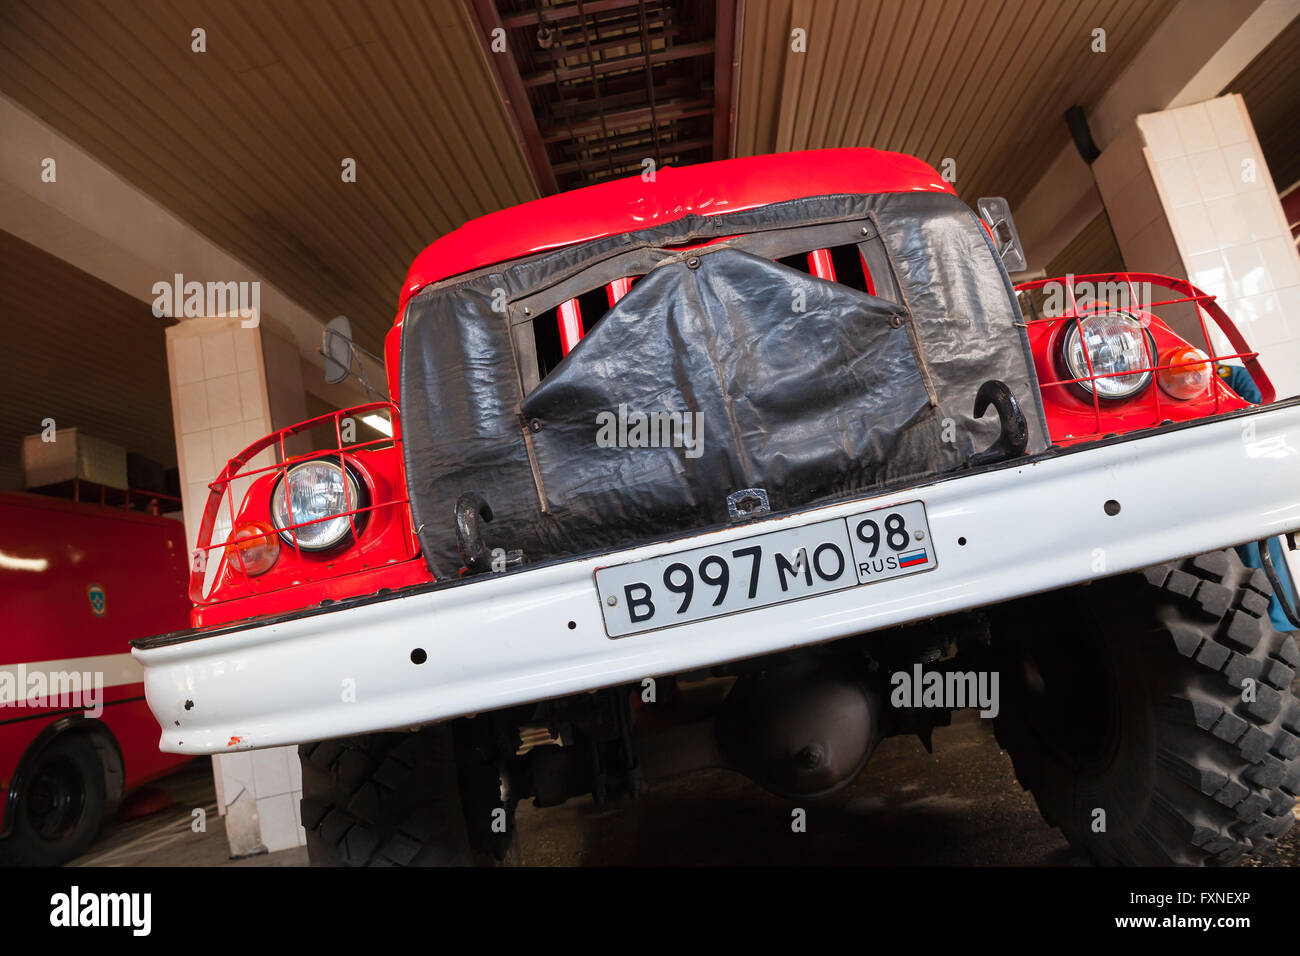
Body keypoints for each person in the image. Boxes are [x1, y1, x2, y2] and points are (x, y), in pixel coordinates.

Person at [1218, 361, 1296, 632]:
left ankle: (1280, 627)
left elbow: (1259, 416)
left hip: (1243, 480)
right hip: (1212, 485)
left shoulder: (1230, 375)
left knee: (1259, 552)